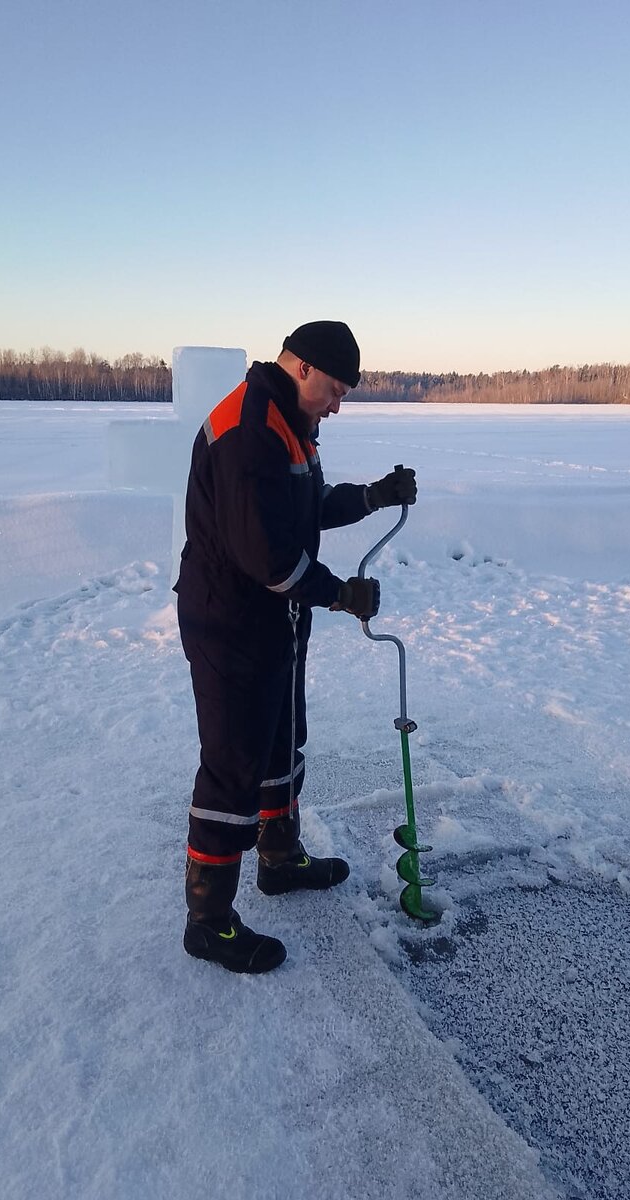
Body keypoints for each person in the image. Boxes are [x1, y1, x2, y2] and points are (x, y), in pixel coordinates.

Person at [174, 320, 417, 973]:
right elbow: (265, 554)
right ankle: (209, 920)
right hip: (230, 619)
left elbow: (304, 506)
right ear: (303, 367)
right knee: (232, 765)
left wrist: (374, 496)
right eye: (335, 388)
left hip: (273, 617)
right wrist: (339, 594)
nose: (337, 404)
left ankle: (278, 858)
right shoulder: (249, 428)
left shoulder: (289, 421)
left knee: (282, 739)